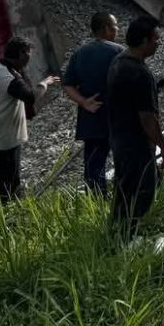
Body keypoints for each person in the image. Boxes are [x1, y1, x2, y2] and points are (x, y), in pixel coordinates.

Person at [107, 15, 164, 233]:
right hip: (135, 145)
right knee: (142, 192)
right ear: (144, 41)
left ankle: (117, 232)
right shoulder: (140, 74)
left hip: (119, 139)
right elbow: (147, 120)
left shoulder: (119, 61)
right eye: (155, 39)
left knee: (124, 189)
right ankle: (128, 239)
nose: (158, 43)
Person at [0, 36, 59, 202]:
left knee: (2, 169)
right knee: (9, 172)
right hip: (5, 132)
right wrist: (44, 83)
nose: (30, 57)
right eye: (28, 53)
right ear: (21, 54)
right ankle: (2, 205)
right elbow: (31, 97)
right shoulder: (9, 78)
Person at [61, 12, 121, 195]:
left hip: (92, 118)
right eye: (115, 25)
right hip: (117, 118)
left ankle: (96, 205)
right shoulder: (119, 52)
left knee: (94, 168)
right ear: (105, 29)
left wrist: (83, 102)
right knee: (125, 162)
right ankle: (126, 202)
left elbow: (67, 84)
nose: (117, 29)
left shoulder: (80, 54)